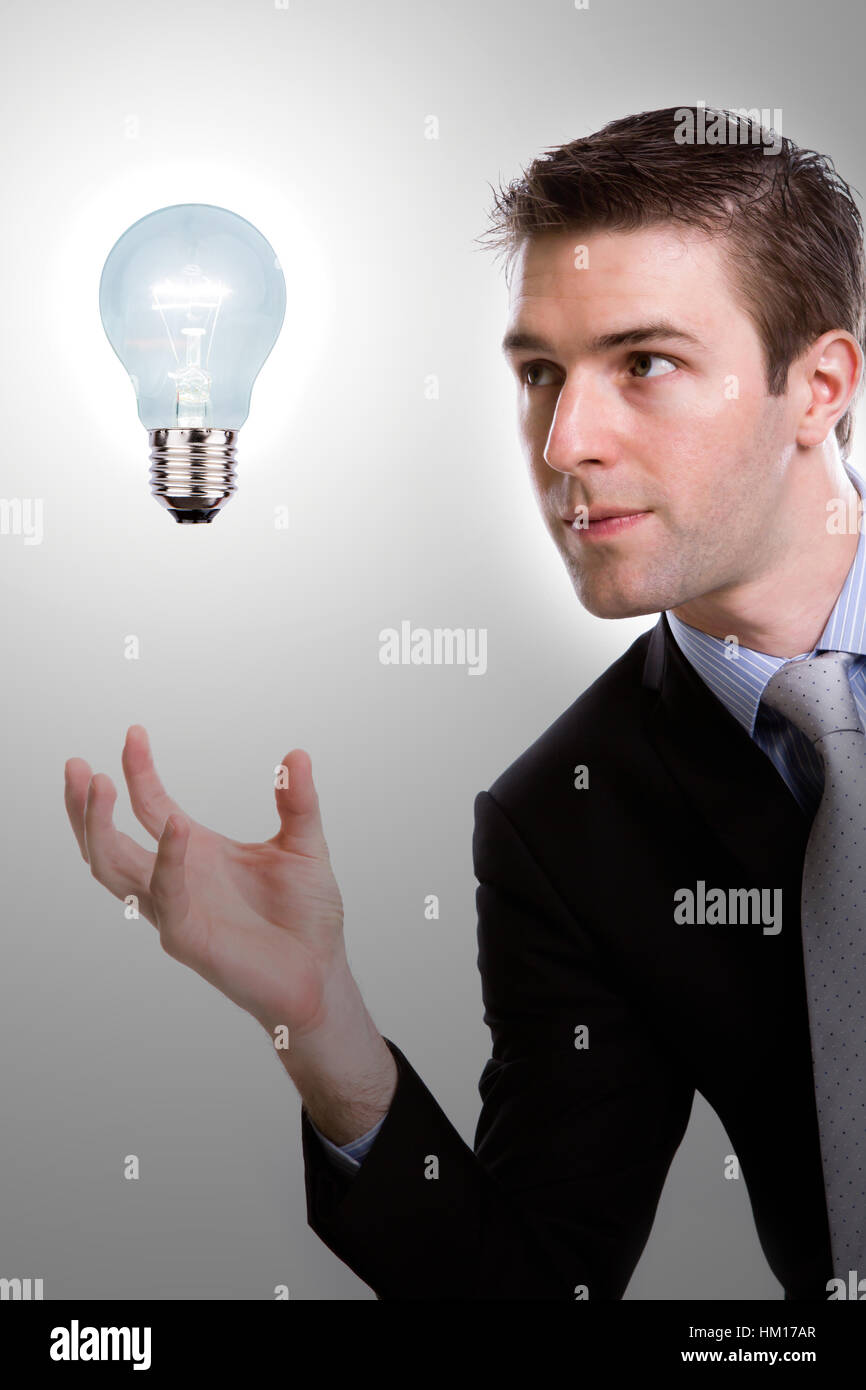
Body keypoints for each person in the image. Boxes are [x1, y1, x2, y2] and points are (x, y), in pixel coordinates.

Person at [64, 107, 866, 1300]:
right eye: (541, 373)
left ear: (815, 386)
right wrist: (328, 1037)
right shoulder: (569, 821)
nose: (562, 441)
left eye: (643, 362)